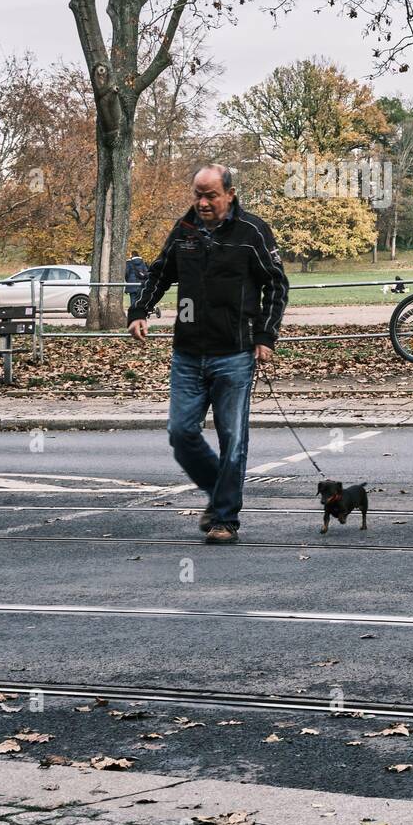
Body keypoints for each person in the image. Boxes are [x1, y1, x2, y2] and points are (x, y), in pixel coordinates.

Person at [128, 165, 288, 545]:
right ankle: (222, 494)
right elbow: (159, 273)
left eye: (210, 195)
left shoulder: (252, 232)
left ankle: (224, 519)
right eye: (197, 194)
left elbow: (277, 285)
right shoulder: (183, 232)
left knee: (233, 439)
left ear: (229, 194)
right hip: (187, 352)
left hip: (234, 354)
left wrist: (266, 335)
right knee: (181, 433)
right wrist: (139, 311)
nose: (202, 202)